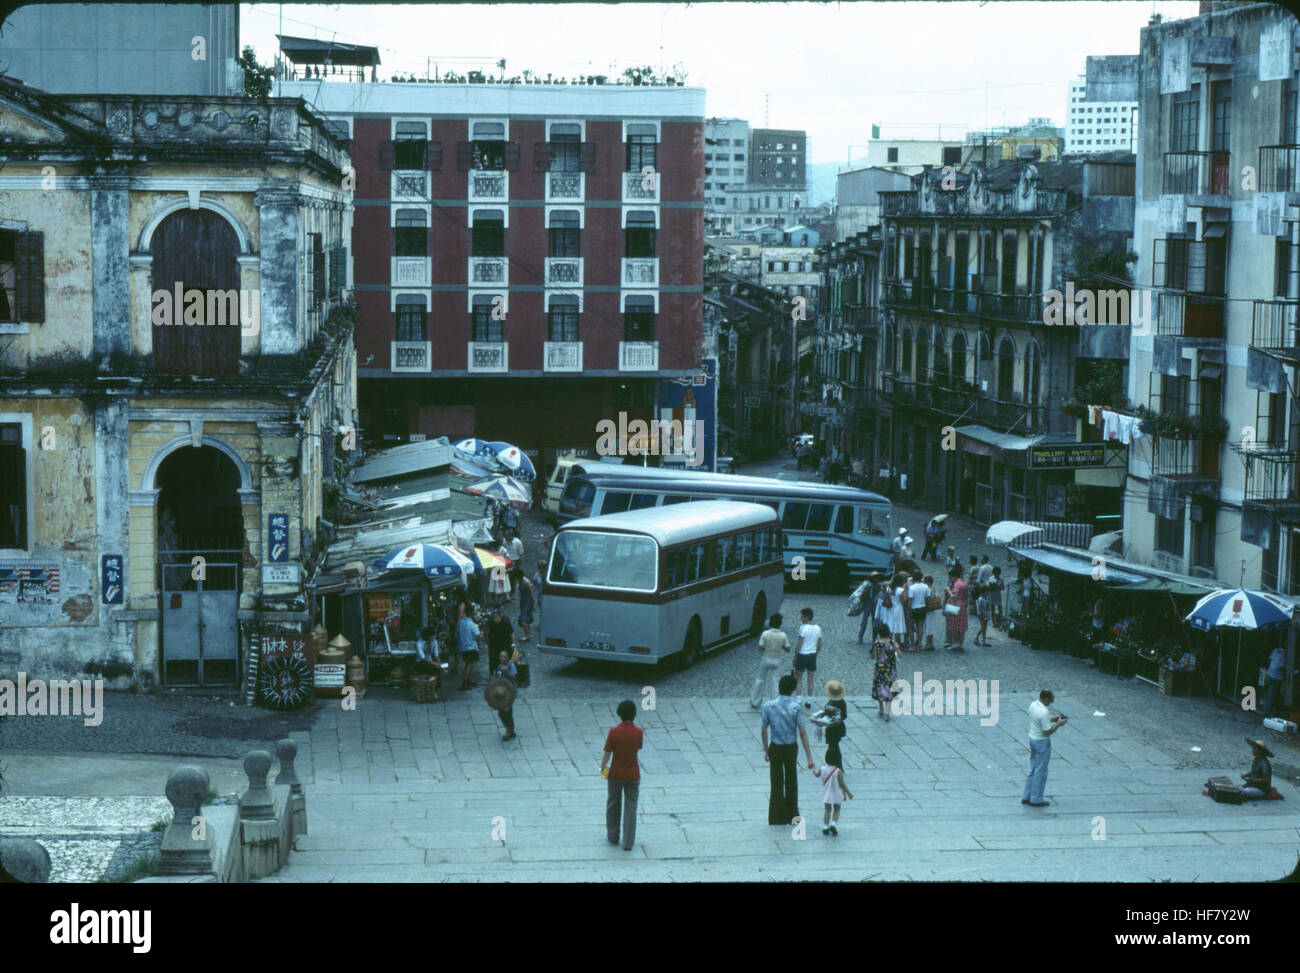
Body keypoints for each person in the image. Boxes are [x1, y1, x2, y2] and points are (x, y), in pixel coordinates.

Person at [760, 674, 816, 825]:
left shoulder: (768, 706)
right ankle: (792, 814)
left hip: (775, 746)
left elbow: (764, 730)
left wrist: (766, 750)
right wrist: (809, 756)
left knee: (776, 781)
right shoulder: (795, 708)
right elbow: (802, 732)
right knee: (791, 780)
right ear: (792, 690)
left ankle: (776, 816)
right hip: (791, 747)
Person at [600, 700, 643, 849]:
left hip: (615, 773)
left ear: (619, 713)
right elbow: (638, 748)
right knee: (631, 807)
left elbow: (607, 753)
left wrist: (603, 770)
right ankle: (628, 842)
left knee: (613, 803)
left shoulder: (613, 732)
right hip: (633, 773)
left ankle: (613, 835)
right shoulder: (639, 732)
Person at [1022, 689, 1067, 807]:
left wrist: (1054, 719)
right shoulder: (1043, 712)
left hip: (1032, 738)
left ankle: (1027, 796)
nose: (1052, 702)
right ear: (1046, 698)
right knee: (1041, 771)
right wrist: (1058, 724)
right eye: (1051, 700)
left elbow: (1040, 721)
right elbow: (1047, 731)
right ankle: (1036, 798)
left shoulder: (1033, 705)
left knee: (1033, 769)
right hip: (1041, 742)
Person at [751, 613, 791, 708]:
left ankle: (755, 701)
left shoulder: (765, 634)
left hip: (766, 658)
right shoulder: (783, 635)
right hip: (776, 659)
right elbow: (788, 649)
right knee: (775, 681)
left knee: (760, 679)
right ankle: (775, 701)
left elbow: (760, 647)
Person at [813, 745, 853, 836]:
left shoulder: (822, 769)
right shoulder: (838, 771)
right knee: (837, 809)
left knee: (827, 810)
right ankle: (833, 824)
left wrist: (814, 769)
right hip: (836, 793)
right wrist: (848, 793)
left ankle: (825, 826)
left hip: (826, 793)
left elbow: (816, 774)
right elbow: (842, 784)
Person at [792, 607, 822, 706]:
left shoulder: (803, 628)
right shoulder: (818, 628)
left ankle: (798, 699)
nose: (801, 618)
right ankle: (809, 700)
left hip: (803, 654)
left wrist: (795, 656)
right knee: (810, 678)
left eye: (802, 616)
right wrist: (815, 653)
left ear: (807, 617)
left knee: (798, 677)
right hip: (812, 655)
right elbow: (819, 644)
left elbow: (799, 643)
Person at [871, 623, 901, 721]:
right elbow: (900, 654)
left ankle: (880, 709)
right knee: (889, 689)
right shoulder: (892, 643)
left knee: (880, 687)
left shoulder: (876, 643)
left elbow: (871, 655)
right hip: (890, 669)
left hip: (879, 669)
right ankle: (887, 712)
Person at [493, 650, 518, 741]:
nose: (503, 658)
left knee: (505, 712)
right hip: (502, 693)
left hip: (510, 693)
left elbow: (514, 677)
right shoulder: (499, 667)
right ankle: (511, 730)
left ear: (508, 658)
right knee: (503, 712)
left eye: (504, 656)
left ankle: (509, 731)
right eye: (501, 656)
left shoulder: (511, 666)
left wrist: (507, 671)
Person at [456, 608, 484, 691]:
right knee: (469, 666)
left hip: (463, 647)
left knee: (467, 664)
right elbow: (478, 636)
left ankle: (467, 680)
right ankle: (464, 683)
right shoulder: (472, 624)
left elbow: (457, 633)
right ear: (472, 614)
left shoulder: (461, 623)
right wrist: (482, 633)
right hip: (471, 647)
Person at [945, 566, 969, 651]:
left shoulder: (957, 584)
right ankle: (960, 643)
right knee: (961, 626)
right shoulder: (964, 583)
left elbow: (954, 596)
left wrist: (948, 591)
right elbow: (966, 597)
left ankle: (955, 643)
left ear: (953, 576)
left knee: (954, 625)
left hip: (955, 606)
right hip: (963, 606)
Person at [854, 572, 883, 644]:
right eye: (875, 578)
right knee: (864, 621)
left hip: (875, 605)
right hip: (868, 603)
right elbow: (862, 595)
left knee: (875, 621)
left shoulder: (879, 586)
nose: (877, 579)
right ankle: (860, 637)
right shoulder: (867, 585)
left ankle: (874, 637)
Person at [907, 571, 930, 652]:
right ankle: (918, 646)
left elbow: (910, 600)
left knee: (910, 627)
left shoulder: (912, 588)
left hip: (914, 608)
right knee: (920, 627)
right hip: (922, 608)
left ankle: (913, 645)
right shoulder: (925, 587)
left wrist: (908, 610)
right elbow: (927, 598)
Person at [1264, 645, 1287, 716]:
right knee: (1272, 694)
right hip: (1276, 676)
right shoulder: (1284, 653)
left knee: (1272, 693)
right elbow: (1282, 666)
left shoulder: (1276, 649)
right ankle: (1267, 712)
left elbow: (1270, 659)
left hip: (1270, 673)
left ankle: (1275, 709)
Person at [517, 563, 538, 642]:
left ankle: (527, 635)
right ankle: (527, 634)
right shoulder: (520, 581)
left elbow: (532, 595)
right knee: (526, 619)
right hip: (523, 601)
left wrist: (532, 605)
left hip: (527, 602)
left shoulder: (526, 582)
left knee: (523, 620)